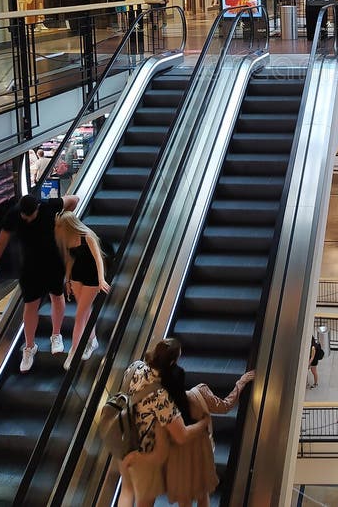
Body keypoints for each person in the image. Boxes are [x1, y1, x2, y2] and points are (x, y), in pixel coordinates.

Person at [155, 337, 254, 507]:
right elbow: (225, 406)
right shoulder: (200, 393)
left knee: (184, 497)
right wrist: (241, 382)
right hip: (199, 447)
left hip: (175, 449)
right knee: (202, 493)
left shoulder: (159, 399)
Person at [0, 192, 78, 372]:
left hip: (53, 262)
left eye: (30, 216)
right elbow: (1, 243)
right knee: (30, 305)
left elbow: (74, 200)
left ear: (38, 208)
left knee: (57, 297)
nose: (27, 219)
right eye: (24, 216)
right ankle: (30, 346)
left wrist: (65, 222)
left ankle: (56, 335)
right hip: (29, 267)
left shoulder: (49, 206)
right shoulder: (13, 215)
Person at [118, 341, 208, 507]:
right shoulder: (160, 397)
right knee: (144, 501)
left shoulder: (135, 367)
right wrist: (203, 424)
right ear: (172, 362)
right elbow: (181, 435)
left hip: (125, 440)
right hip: (145, 454)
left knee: (127, 491)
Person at [54, 212, 110, 370]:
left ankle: (74, 351)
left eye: (61, 226)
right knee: (84, 311)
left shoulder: (88, 237)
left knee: (79, 315)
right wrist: (68, 280)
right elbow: (69, 260)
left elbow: (98, 259)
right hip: (77, 277)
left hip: (92, 279)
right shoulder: (67, 239)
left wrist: (101, 279)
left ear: (69, 225)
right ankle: (92, 340)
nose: (58, 229)